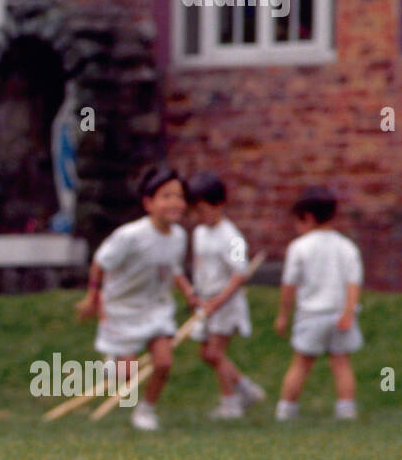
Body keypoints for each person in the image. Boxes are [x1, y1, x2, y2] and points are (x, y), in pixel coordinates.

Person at [75, 164, 197, 431]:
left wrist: (188, 290)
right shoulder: (130, 236)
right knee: (126, 373)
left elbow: (173, 268)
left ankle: (146, 410)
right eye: (166, 196)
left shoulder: (179, 236)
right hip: (122, 308)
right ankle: (112, 362)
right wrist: (93, 296)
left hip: (157, 308)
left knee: (164, 361)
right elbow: (100, 262)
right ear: (148, 202)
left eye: (179, 196)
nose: (174, 202)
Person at [274, 186, 363, 421]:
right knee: (341, 362)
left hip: (311, 315)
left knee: (301, 363)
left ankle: (286, 409)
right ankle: (346, 409)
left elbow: (289, 285)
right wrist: (349, 311)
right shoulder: (346, 247)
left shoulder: (299, 248)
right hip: (339, 314)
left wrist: (283, 315)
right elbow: (353, 283)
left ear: (309, 218)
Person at [185, 171, 265, 418]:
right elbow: (199, 266)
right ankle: (245, 389)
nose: (198, 216)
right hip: (205, 300)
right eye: (194, 211)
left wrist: (218, 301)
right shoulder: (199, 233)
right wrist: (195, 294)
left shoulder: (232, 237)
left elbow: (240, 275)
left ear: (218, 204)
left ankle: (230, 403)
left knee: (214, 353)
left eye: (202, 209)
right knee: (205, 354)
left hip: (226, 303)